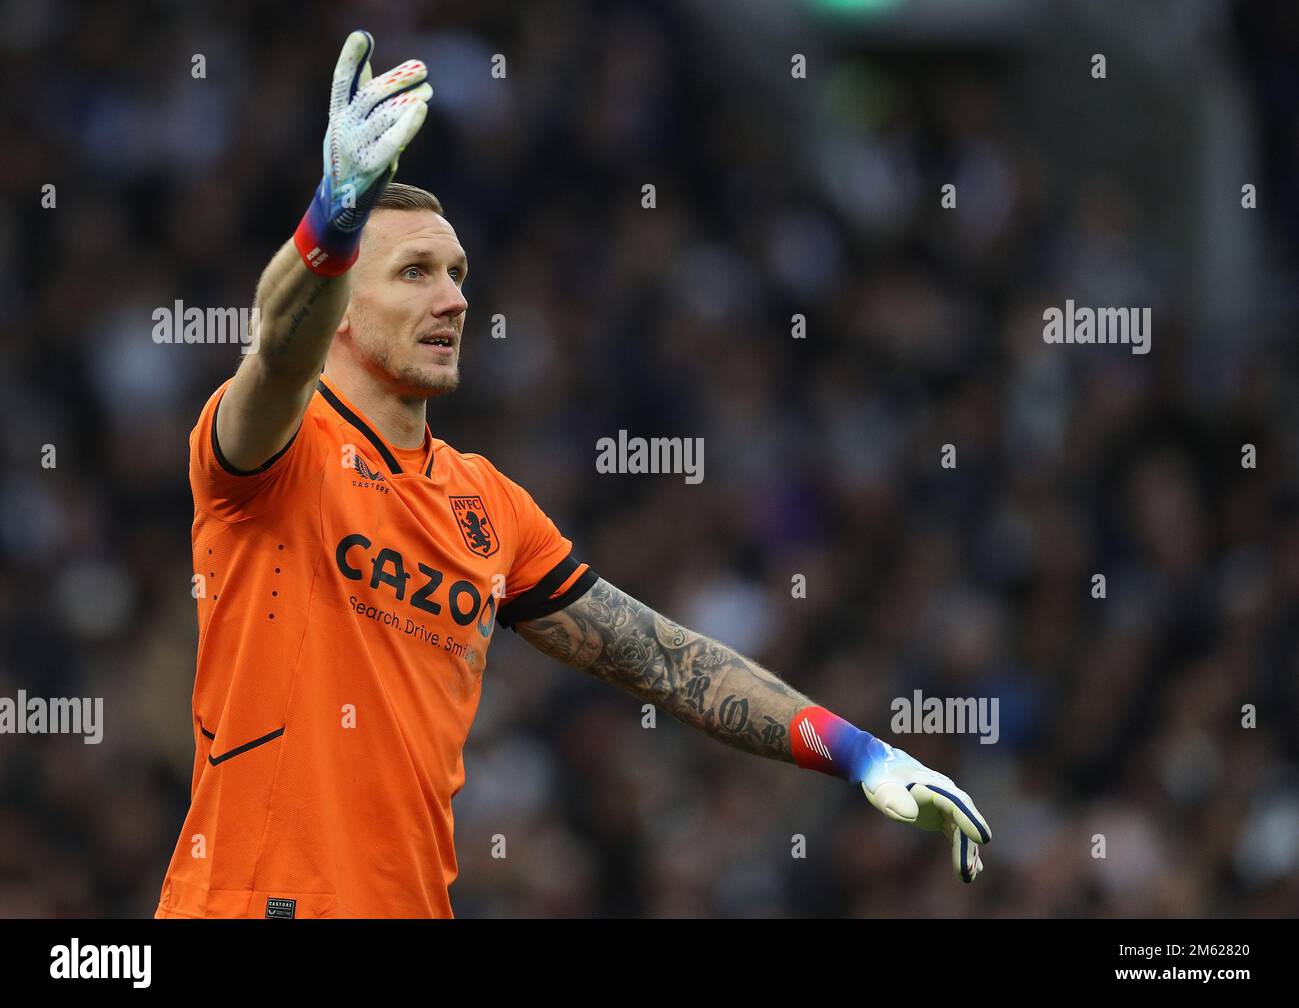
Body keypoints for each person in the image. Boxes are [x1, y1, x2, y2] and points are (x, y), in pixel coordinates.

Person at [155, 30, 990, 919]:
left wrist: (859, 753)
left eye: (458, 274)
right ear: (343, 308)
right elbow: (278, 349)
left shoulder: (488, 505)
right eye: (415, 273)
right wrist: (332, 217)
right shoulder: (271, 452)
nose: (454, 298)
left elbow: (663, 662)